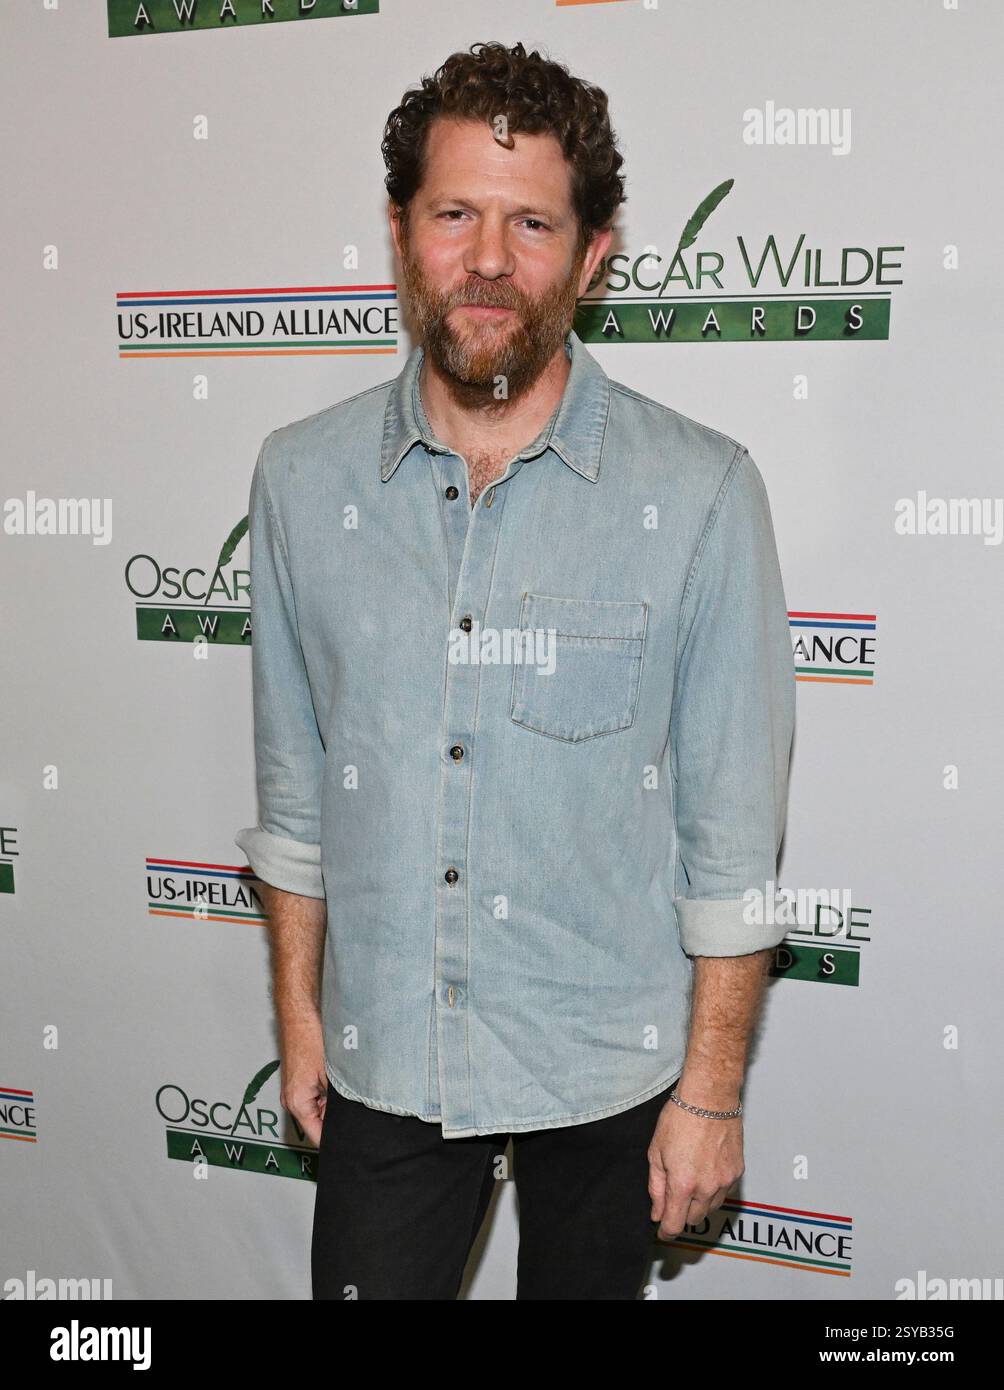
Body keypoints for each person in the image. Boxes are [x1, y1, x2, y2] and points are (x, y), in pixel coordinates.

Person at [235, 40, 796, 1301]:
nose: (487, 258)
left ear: (591, 256)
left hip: (610, 1072)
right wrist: (301, 1016)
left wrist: (709, 1093)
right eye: (454, 214)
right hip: (383, 1052)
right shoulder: (298, 480)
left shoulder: (699, 493)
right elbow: (292, 792)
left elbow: (730, 836)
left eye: (530, 221)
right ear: (401, 232)